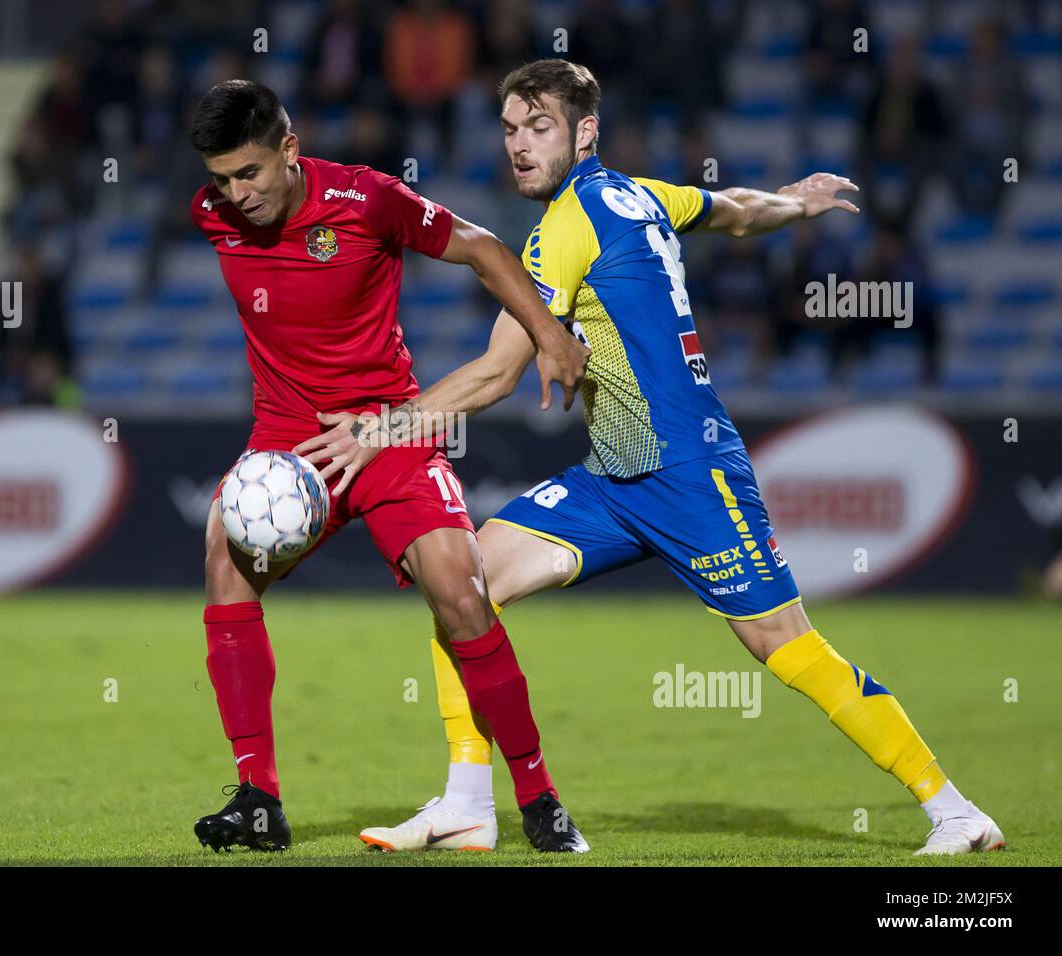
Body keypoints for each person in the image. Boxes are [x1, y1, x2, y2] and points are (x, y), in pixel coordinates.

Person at [301, 60, 1004, 857]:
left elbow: (498, 372)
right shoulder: (641, 194)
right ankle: (468, 802)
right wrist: (795, 203)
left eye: (539, 128)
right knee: (462, 585)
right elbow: (736, 211)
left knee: (787, 645)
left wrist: (380, 430)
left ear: (584, 131)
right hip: (614, 478)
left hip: (690, 474)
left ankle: (954, 809)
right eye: (508, 130)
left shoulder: (564, 226)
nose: (520, 147)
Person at [186, 79, 591, 853]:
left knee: (462, 595)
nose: (236, 195)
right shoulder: (211, 217)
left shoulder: (367, 200)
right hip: (288, 439)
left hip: (387, 431)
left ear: (290, 150)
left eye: (250, 174)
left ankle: (538, 796)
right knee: (223, 564)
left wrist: (547, 332)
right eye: (221, 180)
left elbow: (483, 248)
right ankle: (257, 796)